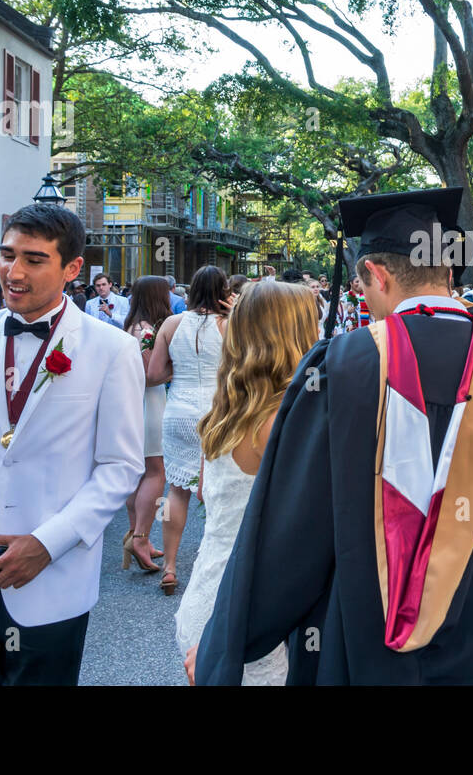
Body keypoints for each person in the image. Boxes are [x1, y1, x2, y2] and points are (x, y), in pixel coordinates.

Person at [195, 188, 473, 685]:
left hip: (363, 648)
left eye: (364, 288)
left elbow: (295, 533)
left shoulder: (340, 368)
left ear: (378, 275)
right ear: (448, 272)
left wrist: (230, 638)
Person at [0, 204, 145, 685]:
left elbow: (120, 467)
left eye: (34, 260)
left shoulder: (111, 349)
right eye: (7, 255)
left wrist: (47, 543)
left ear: (72, 268)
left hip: (54, 581)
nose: (13, 273)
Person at [177, 280, 314, 685]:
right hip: (249, 608)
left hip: (207, 589)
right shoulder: (282, 421)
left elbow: (204, 493)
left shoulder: (224, 409)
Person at [147, 265, 230, 595]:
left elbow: (153, 374)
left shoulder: (171, 323)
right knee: (218, 489)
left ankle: (169, 566)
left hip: (178, 409)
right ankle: (217, 564)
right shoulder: (230, 324)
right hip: (217, 410)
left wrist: (175, 370)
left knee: (176, 489)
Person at [122, 276, 173, 573]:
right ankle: (140, 536)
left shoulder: (133, 326)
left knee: (139, 473)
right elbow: (150, 375)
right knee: (156, 471)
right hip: (149, 403)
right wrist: (175, 370)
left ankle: (136, 534)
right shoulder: (145, 330)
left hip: (137, 403)